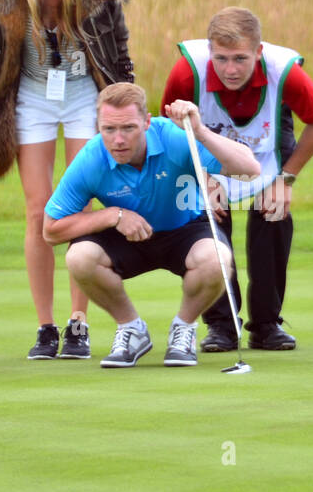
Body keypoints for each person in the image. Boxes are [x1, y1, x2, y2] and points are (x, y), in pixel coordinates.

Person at [0, 0, 138, 361]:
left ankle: (78, 323)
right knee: (38, 209)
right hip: (32, 96)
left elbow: (119, 53)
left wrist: (125, 102)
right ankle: (45, 327)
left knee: (80, 202)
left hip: (86, 93)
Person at [42, 83, 261, 368]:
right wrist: (113, 216)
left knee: (217, 259)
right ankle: (131, 329)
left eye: (128, 128)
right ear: (98, 127)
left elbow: (250, 170)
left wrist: (201, 132)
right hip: (127, 236)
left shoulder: (174, 138)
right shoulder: (91, 158)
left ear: (146, 122)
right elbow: (51, 230)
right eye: (109, 129)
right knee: (79, 258)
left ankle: (184, 328)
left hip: (185, 229)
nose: (118, 139)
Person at [161, 7, 313, 351]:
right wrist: (200, 181)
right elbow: (166, 132)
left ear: (258, 52)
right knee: (204, 222)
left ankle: (267, 325)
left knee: (273, 214)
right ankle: (223, 325)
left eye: (240, 58)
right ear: (210, 52)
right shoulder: (186, 73)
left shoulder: (286, 73)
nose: (230, 69)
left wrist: (286, 179)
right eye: (221, 58)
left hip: (267, 151)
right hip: (209, 155)